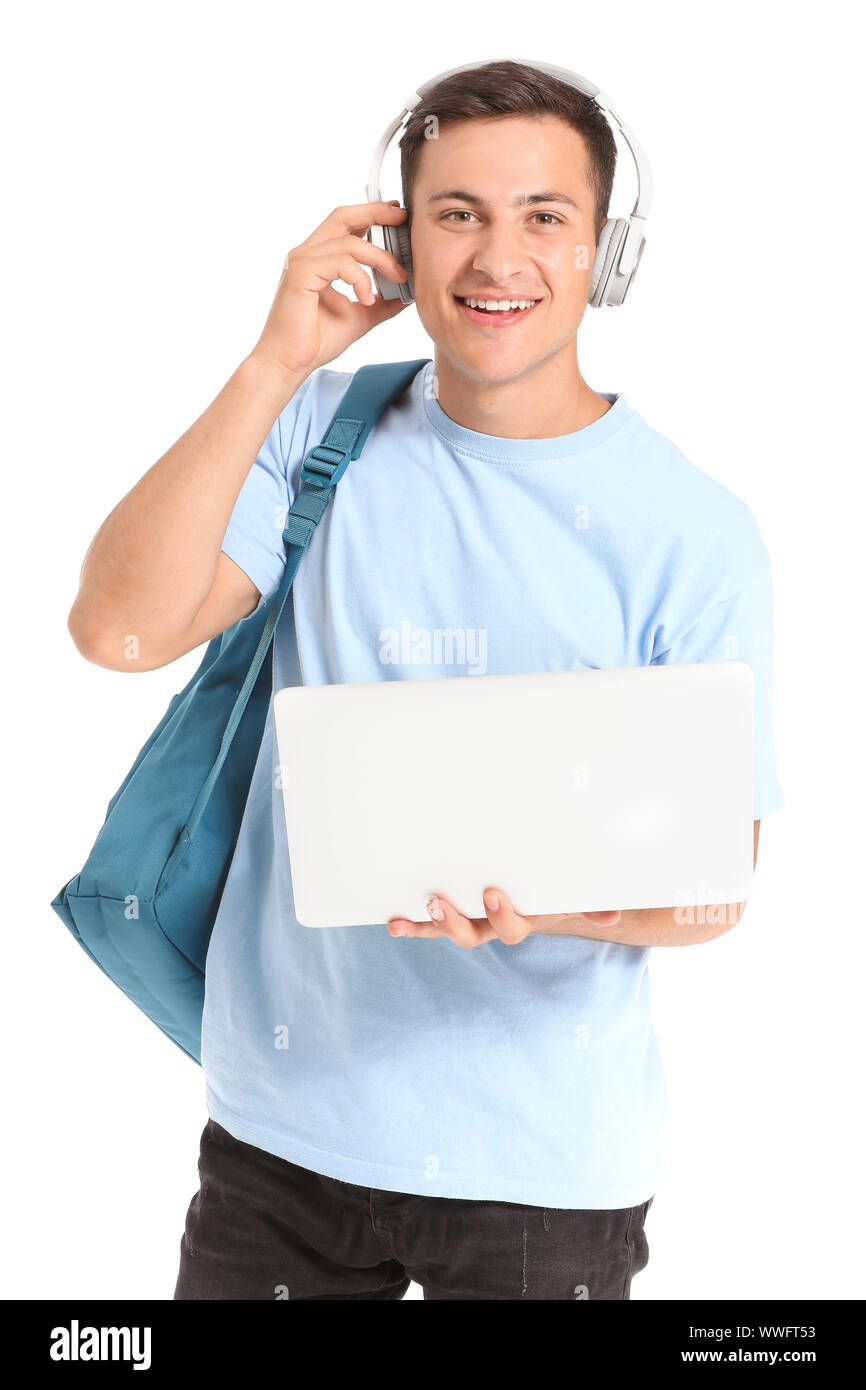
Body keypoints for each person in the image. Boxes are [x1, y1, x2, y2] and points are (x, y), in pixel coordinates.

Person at [67, 60, 783, 1300]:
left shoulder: (690, 531)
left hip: (538, 1176)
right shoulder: (318, 430)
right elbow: (116, 632)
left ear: (603, 254)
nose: (496, 257)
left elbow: (716, 891)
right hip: (278, 1141)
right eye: (457, 212)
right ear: (401, 235)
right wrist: (274, 360)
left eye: (542, 217)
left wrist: (541, 909)